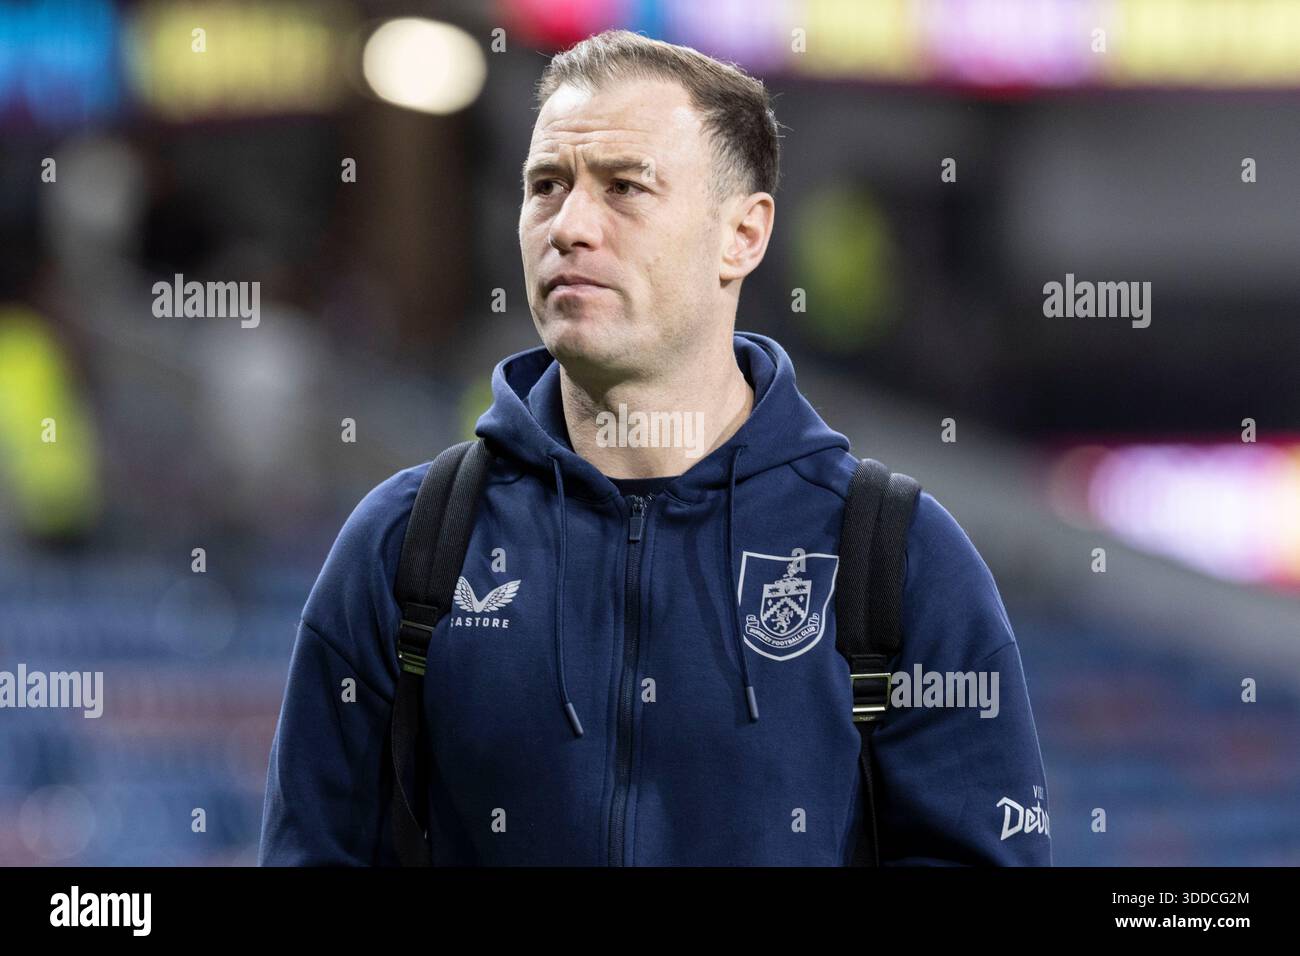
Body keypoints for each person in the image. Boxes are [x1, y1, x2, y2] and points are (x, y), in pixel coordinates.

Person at [258, 29, 1051, 866]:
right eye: (546, 186)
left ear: (741, 236)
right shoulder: (407, 544)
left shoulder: (896, 559)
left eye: (625, 187)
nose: (569, 226)